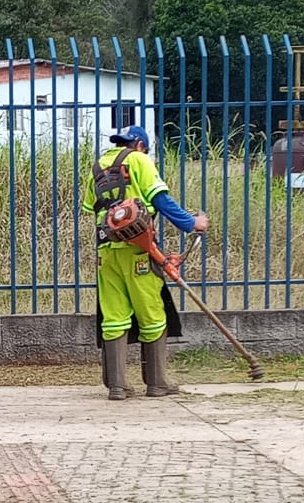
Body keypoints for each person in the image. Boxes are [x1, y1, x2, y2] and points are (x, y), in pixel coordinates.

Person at [83, 124, 209, 400]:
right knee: (152, 315)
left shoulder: (98, 166)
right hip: (138, 251)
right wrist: (192, 223)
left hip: (106, 252)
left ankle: (117, 386)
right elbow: (160, 200)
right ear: (140, 145)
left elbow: (89, 208)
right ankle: (157, 382)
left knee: (114, 317)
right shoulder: (139, 159)